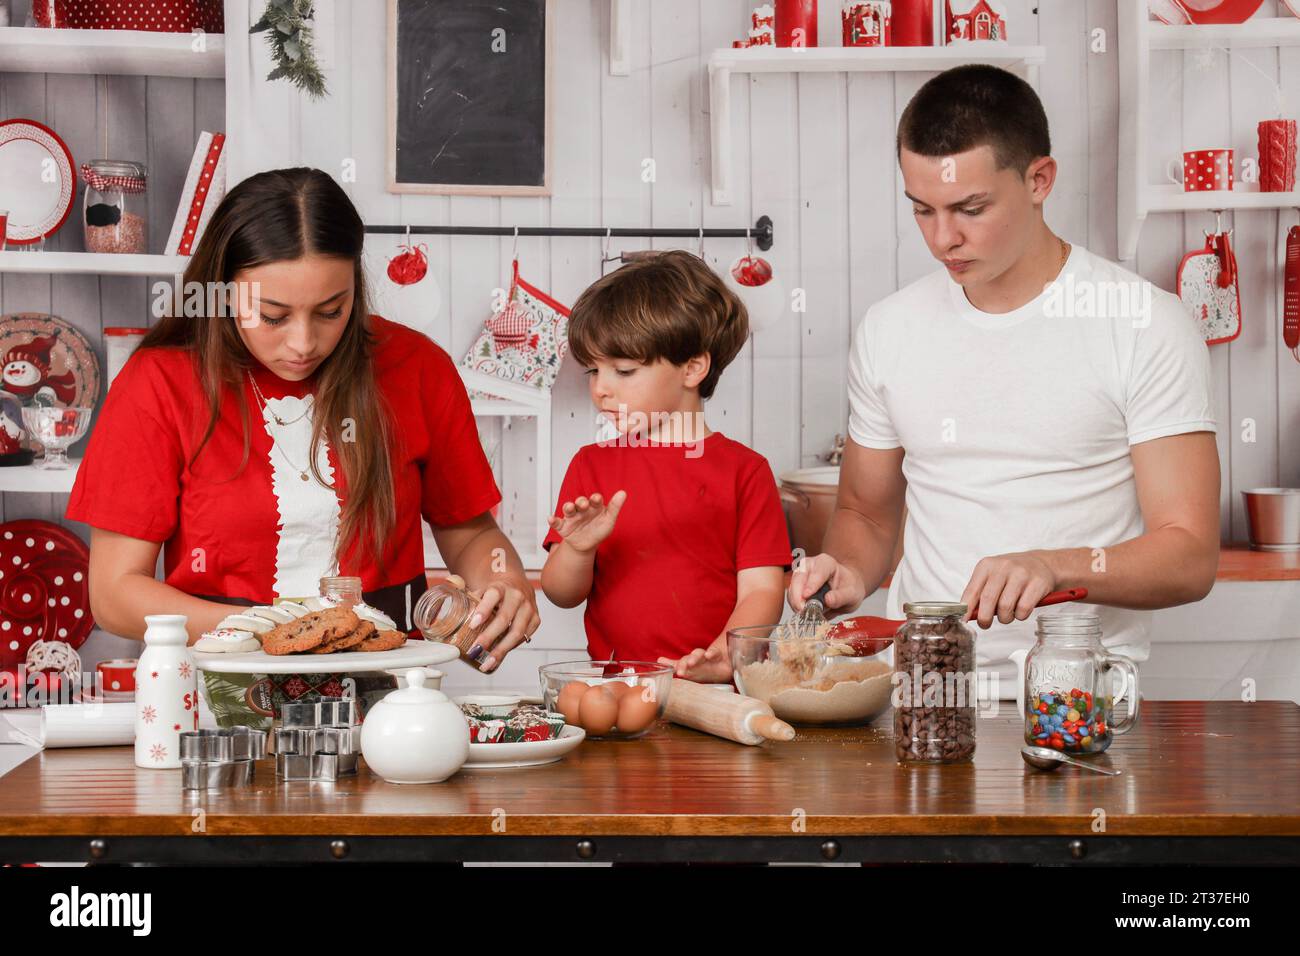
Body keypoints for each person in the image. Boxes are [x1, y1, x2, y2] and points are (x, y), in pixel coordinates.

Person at [789, 65, 1220, 693]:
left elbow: (1189, 556)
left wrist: (1052, 567)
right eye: (923, 210)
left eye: (971, 208)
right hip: (922, 688)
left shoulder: (1144, 324)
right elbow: (866, 514)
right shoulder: (888, 329)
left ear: (1039, 179)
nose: (943, 239)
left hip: (1077, 695)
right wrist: (850, 570)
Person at [66, 167, 539, 705]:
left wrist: (502, 583)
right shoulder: (161, 382)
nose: (303, 343)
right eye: (272, 315)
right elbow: (113, 593)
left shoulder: (417, 368)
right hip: (219, 697)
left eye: (330, 311)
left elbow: (473, 536)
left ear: (355, 288)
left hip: (393, 700)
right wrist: (278, 632)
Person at [540, 251, 791, 682]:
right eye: (592, 371)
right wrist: (578, 549)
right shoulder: (592, 464)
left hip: (717, 691)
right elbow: (562, 594)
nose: (601, 389)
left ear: (693, 367)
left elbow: (762, 590)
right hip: (617, 689)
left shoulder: (745, 471)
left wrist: (725, 655)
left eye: (622, 370)